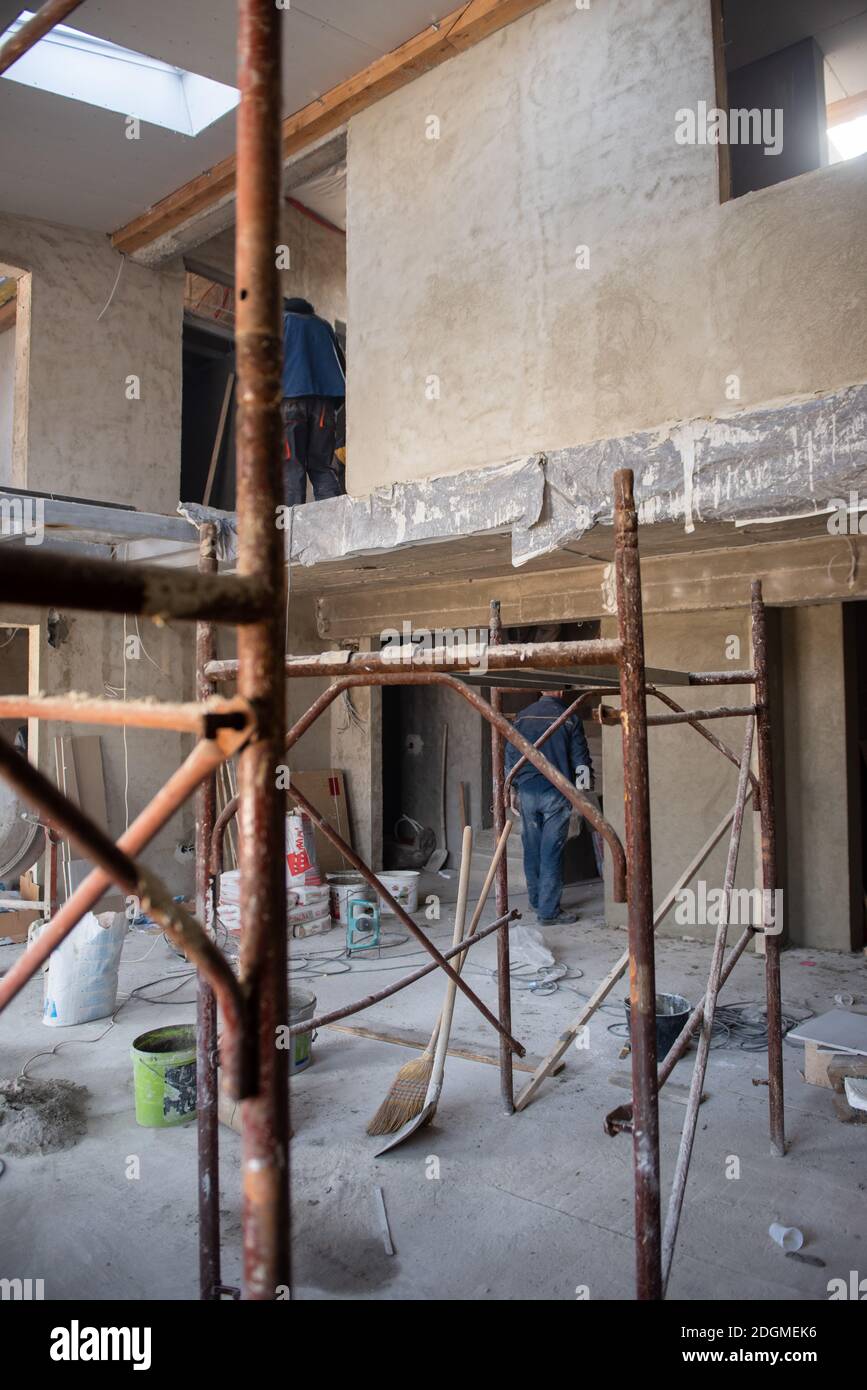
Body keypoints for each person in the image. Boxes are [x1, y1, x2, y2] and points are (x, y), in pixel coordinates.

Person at [504, 690, 593, 926]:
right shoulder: (568, 716)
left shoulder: (522, 716)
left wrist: (511, 789)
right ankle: (548, 911)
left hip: (528, 792)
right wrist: (582, 792)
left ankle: (536, 901)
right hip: (556, 792)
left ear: (541, 692)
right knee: (551, 851)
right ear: (561, 692)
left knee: (532, 848)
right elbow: (580, 759)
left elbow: (511, 755)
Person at [280, 297, 346, 505]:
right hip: (324, 407)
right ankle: (334, 525)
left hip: (289, 403)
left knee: (291, 466)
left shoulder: (281, 323)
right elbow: (341, 369)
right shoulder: (324, 327)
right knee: (321, 466)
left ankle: (290, 529)